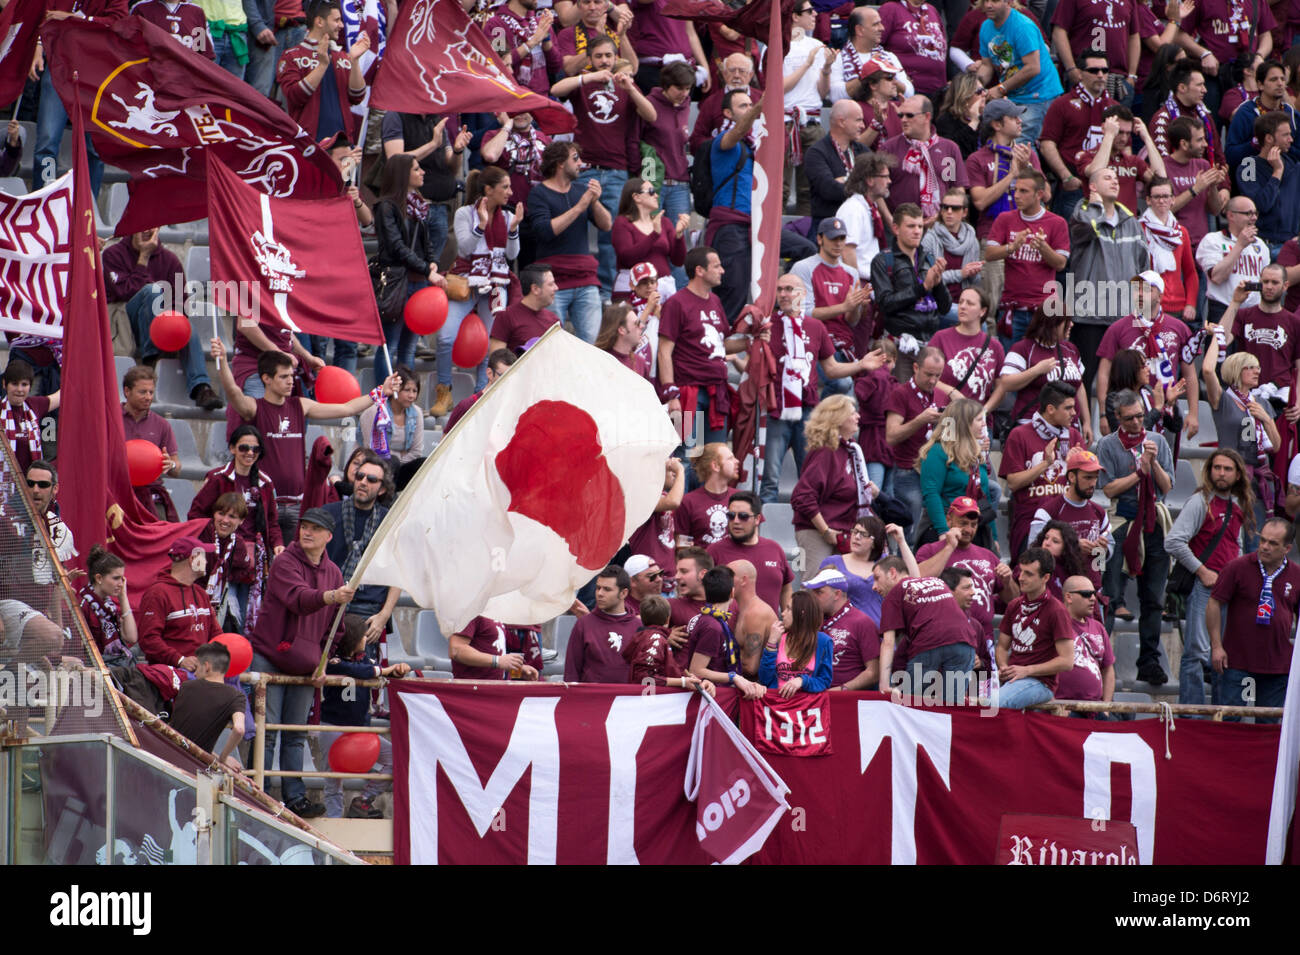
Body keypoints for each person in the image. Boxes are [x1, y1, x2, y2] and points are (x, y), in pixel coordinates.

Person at [211, 339, 401, 543]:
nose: (291, 381)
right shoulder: (255, 407)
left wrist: (382, 391)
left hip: (297, 505)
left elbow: (347, 408)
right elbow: (233, 392)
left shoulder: (300, 405)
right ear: (266, 378)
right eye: (283, 377)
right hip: (266, 504)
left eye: (291, 376)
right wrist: (222, 361)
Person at [249, 507, 355, 818]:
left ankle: (294, 797)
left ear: (328, 537)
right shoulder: (285, 562)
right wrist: (330, 596)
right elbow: (298, 597)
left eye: (314, 529)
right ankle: (261, 793)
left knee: (295, 732)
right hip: (269, 655)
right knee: (268, 731)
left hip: (306, 663)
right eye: (303, 527)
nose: (306, 532)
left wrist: (323, 662)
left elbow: (337, 627)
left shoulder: (333, 572)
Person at [758, 276, 877, 503]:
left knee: (810, 477)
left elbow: (831, 369)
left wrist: (861, 365)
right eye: (780, 289)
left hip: (807, 412)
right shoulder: (767, 325)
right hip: (777, 410)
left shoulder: (815, 326)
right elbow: (754, 366)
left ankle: (805, 529)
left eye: (789, 289)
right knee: (770, 480)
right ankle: (767, 535)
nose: (783, 294)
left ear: (802, 295)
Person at [1097, 389, 1175, 685]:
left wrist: (1152, 464)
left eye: (1141, 416)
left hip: (1153, 518)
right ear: (1118, 417)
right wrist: (1138, 472)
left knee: (1153, 597)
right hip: (1123, 517)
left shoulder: (1156, 441)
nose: (1137, 423)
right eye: (1130, 418)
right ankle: (1100, 659)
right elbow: (1108, 489)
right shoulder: (1107, 444)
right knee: (1108, 593)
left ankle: (1149, 660)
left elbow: (1167, 487)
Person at [1166, 449, 1252, 705]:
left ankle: (1217, 712)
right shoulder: (1200, 501)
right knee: (1196, 652)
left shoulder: (1237, 505)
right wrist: (1202, 572)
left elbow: (1235, 544)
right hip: (1204, 587)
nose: (1221, 473)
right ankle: (1191, 714)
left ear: (1237, 475)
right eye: (1217, 468)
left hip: (1229, 588)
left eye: (1227, 469)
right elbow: (1173, 542)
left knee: (1222, 654)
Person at [102, 231, 223, 411]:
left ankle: (201, 387)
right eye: (143, 226)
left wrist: (167, 321)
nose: (148, 230)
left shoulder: (169, 260)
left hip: (160, 324)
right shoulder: (113, 254)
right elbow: (123, 291)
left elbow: (183, 304)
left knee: (186, 326)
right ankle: (150, 357)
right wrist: (143, 258)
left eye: (153, 227)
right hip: (126, 322)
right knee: (152, 291)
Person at [1067, 167, 1152, 393]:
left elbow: (1143, 266)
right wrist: (1096, 206)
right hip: (1089, 315)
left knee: (1123, 382)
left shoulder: (1130, 221)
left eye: (1116, 178)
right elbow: (1086, 229)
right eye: (1107, 178)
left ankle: (1119, 428)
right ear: (1093, 187)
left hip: (1123, 316)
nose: (1115, 182)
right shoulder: (1082, 213)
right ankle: (1082, 427)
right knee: (1083, 380)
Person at [190, 424, 282, 626]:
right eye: (243, 448)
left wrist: (277, 544)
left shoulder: (265, 482)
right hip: (221, 555)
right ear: (232, 448)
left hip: (253, 561)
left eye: (255, 449)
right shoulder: (217, 478)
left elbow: (272, 522)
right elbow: (195, 515)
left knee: (247, 613)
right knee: (224, 613)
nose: (249, 453)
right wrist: (218, 535)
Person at [1208, 516, 1297, 722]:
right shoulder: (1237, 567)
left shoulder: (1297, 575)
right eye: (1262, 540)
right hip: (1238, 662)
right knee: (1230, 721)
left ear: (1287, 548)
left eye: (1273, 543)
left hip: (1277, 667)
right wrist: (1216, 646)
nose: (1265, 547)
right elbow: (1214, 602)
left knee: (1267, 727)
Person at [319, 618, 411, 818]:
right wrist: (382, 671)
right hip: (333, 728)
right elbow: (353, 671)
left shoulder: (366, 661)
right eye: (362, 634)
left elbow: (375, 672)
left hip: (362, 732)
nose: (366, 637)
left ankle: (364, 800)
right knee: (332, 778)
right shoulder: (334, 661)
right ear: (352, 639)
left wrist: (398, 670)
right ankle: (334, 818)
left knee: (394, 758)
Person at [443, 167, 522, 395]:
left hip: (497, 284)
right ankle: (444, 388)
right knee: (446, 337)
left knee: (491, 344)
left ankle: (480, 391)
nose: (509, 192)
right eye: (505, 187)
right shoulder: (465, 213)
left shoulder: (507, 216)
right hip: (467, 283)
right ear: (489, 189)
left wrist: (514, 228)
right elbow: (466, 248)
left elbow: (512, 254)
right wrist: (481, 224)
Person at [658, 247, 747, 447]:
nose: (722, 270)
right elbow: (664, 351)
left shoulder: (715, 301)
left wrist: (751, 341)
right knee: (691, 456)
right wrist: (671, 393)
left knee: (715, 456)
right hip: (689, 394)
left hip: (717, 392)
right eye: (716, 266)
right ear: (700, 270)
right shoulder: (676, 303)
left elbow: (722, 345)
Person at [1094, 271, 1198, 440]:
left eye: (1148, 289)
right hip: (1129, 410)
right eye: (1136, 289)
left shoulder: (1179, 328)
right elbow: (1104, 373)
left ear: (1161, 295)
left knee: (1166, 460)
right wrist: (1103, 413)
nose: (1140, 293)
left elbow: (1190, 373)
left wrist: (1193, 413)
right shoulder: (1118, 328)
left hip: (1168, 407)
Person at [526, 141, 611, 345]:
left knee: (592, 345)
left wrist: (595, 201)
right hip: (553, 281)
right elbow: (546, 231)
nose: (580, 163)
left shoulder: (582, 190)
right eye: (575, 158)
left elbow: (607, 225)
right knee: (552, 345)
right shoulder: (539, 194)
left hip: (586, 279)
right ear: (560, 164)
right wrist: (581, 206)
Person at [916, 500, 1018, 667]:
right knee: (950, 691)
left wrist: (1008, 582)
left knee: (984, 693)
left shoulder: (988, 555)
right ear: (949, 520)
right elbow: (919, 578)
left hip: (984, 641)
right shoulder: (930, 550)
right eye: (963, 523)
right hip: (946, 639)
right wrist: (949, 547)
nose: (969, 529)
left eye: (973, 524)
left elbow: (1011, 599)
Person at [1201, 329, 1282, 539]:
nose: (1257, 372)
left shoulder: (1261, 402)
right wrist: (1217, 339)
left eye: (1258, 368)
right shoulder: (1223, 400)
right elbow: (1208, 371)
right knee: (1229, 537)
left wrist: (1265, 418)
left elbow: (1277, 445)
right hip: (1231, 478)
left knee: (1255, 539)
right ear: (1237, 370)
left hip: (1257, 479)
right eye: (1251, 368)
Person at [372, 153, 447, 377]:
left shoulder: (418, 204)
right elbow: (396, 246)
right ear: (403, 175)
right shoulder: (386, 207)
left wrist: (432, 263)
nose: (422, 172)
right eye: (416, 169)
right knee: (390, 346)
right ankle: (384, 399)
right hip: (398, 283)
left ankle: (405, 397)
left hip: (419, 283)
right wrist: (426, 269)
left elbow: (426, 242)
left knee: (409, 347)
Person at [873, 555, 980, 703]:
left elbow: (888, 643)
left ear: (892, 573)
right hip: (965, 642)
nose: (874, 586)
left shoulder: (894, 594)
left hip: (929, 643)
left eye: (877, 578)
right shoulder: (936, 581)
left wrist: (884, 685)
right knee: (952, 707)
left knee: (911, 705)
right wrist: (901, 541)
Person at [322, 452, 400, 650]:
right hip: (330, 600)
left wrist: (384, 615)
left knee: (361, 674)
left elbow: (397, 572)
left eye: (371, 479)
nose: (363, 482)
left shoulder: (389, 521)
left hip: (368, 607)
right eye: (360, 476)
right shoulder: (329, 513)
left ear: (382, 489)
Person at [1000, 380, 1085, 560]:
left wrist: (1073, 469)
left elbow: (1086, 490)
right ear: (1051, 409)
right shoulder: (1019, 435)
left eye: (1074, 407)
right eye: (1068, 408)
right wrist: (1045, 464)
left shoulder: (1074, 436)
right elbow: (1013, 483)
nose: (1074, 413)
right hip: (1030, 522)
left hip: (1067, 522)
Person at [984, 170, 1071, 346]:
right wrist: (1012, 247)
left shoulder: (1057, 222)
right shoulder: (1005, 219)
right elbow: (989, 254)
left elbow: (1061, 264)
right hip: (1012, 307)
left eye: (1023, 191)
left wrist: (1043, 247)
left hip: (1043, 310)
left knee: (1040, 364)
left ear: (1039, 194)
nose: (1016, 196)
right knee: (1009, 366)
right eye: (1015, 190)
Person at [792, 395, 878, 569]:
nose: (858, 417)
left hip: (844, 532)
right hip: (817, 532)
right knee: (815, 589)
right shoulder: (825, 452)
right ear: (838, 419)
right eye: (853, 413)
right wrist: (825, 531)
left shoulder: (851, 450)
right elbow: (802, 496)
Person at [1039, 48, 1118, 217]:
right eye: (1093, 70)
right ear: (1080, 74)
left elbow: (1124, 148)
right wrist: (1066, 177)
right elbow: (1047, 144)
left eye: (1104, 70)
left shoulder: (1115, 108)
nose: (1100, 75)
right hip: (1074, 186)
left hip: (1106, 187)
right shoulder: (1062, 104)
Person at [789, 218, 873, 376]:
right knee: (843, 384)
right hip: (812, 342)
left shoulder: (851, 273)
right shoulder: (803, 268)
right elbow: (801, 313)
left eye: (842, 238)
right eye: (833, 238)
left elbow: (851, 321)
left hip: (842, 343)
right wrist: (844, 307)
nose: (838, 243)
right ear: (820, 239)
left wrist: (857, 306)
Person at [994, 547, 1076, 709]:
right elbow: (1002, 647)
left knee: (995, 704)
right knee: (969, 698)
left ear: (1045, 577)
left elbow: (1067, 661)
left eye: (1029, 574)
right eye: (1021, 571)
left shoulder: (1056, 610)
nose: (1021, 578)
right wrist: (1003, 666)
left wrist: (1026, 670)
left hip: (1040, 683)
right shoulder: (1014, 605)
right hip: (1012, 678)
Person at [276, 0, 368, 142]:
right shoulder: (292, 55)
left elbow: (357, 96)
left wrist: (354, 61)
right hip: (309, 145)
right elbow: (294, 96)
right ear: (319, 21)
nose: (341, 25)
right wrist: (322, 65)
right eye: (337, 20)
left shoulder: (341, 56)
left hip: (342, 145)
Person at [976, 0, 1064, 143]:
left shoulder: (1022, 26)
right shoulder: (986, 27)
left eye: (995, 0)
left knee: (1020, 143)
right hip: (1014, 97)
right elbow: (987, 66)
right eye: (985, 0)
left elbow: (1033, 67)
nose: (988, 5)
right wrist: (976, 87)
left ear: (1009, 2)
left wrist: (1001, 88)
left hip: (1039, 95)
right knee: (1002, 140)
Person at [1028, 447, 1114, 593]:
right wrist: (1072, 547)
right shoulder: (1049, 511)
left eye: (1095, 477)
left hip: (1092, 593)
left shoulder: (1099, 512)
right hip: (1059, 593)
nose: (1093, 483)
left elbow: (1100, 564)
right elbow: (1033, 553)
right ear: (1072, 477)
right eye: (1087, 477)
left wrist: (1101, 550)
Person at [915, 398, 996, 544]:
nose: (984, 424)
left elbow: (985, 499)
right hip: (947, 526)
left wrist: (993, 538)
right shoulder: (938, 451)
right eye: (979, 420)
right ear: (964, 424)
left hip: (974, 529)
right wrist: (943, 531)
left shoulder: (975, 453)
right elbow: (931, 494)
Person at [871, 205, 952, 351]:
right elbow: (885, 304)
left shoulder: (929, 258)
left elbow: (945, 308)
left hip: (930, 343)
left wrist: (938, 284)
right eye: (911, 226)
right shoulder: (882, 260)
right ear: (896, 229)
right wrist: (923, 288)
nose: (917, 231)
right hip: (900, 345)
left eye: (920, 226)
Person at [885, 346, 945, 541]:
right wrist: (920, 419)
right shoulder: (900, 393)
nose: (933, 380)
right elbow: (891, 436)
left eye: (937, 375)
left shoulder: (941, 393)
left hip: (935, 470)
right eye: (928, 374)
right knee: (913, 523)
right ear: (915, 367)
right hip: (907, 470)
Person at [877, 96, 969, 220]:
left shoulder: (949, 148)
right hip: (900, 228)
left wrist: (939, 217)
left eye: (909, 115)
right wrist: (890, 221)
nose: (903, 120)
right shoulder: (888, 148)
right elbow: (876, 189)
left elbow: (957, 190)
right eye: (901, 115)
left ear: (927, 117)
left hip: (939, 226)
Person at [707, 491, 794, 616]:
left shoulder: (774, 549)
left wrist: (788, 620)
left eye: (743, 516)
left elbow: (786, 588)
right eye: (731, 515)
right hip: (727, 633)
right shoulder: (714, 551)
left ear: (757, 519)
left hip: (770, 632)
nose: (736, 521)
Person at [966, 100, 1042, 243]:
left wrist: (1027, 169)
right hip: (992, 234)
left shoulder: (1027, 154)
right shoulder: (976, 159)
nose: (1020, 121)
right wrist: (1012, 175)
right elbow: (980, 201)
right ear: (997, 125)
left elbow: (1046, 194)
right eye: (1014, 117)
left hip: (1027, 233)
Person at [138, 537, 219, 669]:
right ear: (193, 559)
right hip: (171, 676)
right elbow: (148, 639)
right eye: (203, 557)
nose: (206, 562)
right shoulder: (157, 593)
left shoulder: (200, 593)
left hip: (201, 673)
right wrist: (180, 660)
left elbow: (216, 635)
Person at [685, 566, 766, 696]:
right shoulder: (712, 626)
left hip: (722, 693)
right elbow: (696, 670)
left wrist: (744, 682)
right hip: (711, 697)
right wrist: (733, 677)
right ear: (732, 593)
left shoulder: (717, 620)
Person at [820, 518, 918, 624]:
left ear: (874, 542)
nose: (857, 537)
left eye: (863, 534)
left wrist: (901, 541)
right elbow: (818, 598)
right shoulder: (833, 562)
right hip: (844, 634)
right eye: (855, 531)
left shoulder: (886, 562)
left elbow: (915, 581)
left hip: (881, 634)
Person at [783, 5, 833, 216]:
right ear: (794, 16)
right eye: (809, 10)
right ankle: (775, 239)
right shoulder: (778, 45)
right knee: (781, 187)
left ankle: (804, 238)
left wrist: (827, 69)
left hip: (812, 122)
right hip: (785, 122)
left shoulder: (818, 46)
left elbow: (821, 93)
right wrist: (806, 64)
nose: (815, 14)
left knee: (808, 189)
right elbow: (779, 87)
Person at [1196, 196, 1271, 327]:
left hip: (1252, 312)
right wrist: (1239, 245)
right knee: (1219, 347)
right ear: (1231, 215)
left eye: (1255, 213)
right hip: (1222, 309)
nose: (1253, 218)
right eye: (1248, 213)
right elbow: (1217, 277)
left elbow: (1264, 281)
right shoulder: (1213, 240)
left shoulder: (1261, 245)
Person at [169, 642, 246, 767]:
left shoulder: (186, 687)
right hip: (197, 766)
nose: (194, 673)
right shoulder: (236, 696)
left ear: (206, 667)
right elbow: (239, 729)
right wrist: (223, 758)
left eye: (197, 667)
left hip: (170, 754)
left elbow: (186, 737)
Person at [120, 365, 182, 522]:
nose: (148, 397)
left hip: (151, 493)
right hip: (118, 492)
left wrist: (171, 465)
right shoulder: (111, 419)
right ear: (127, 391)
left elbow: (176, 467)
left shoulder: (162, 425)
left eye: (151, 392)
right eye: (142, 392)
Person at [803, 567, 880, 690]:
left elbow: (874, 672)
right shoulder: (812, 620)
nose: (813, 597)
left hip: (844, 701)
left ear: (837, 594)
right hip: (813, 694)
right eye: (812, 592)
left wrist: (842, 689)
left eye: (819, 592)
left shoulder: (861, 622)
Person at [1235, 111, 1300, 255]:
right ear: (1269, 138)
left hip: (1292, 245)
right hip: (1264, 245)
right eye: (1285, 135)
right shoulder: (1248, 166)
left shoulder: (1295, 166)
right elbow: (1261, 205)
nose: (1291, 139)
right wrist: (1277, 172)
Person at [1138, 177, 1200, 327]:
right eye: (1157, 196)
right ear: (1148, 200)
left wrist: (1190, 303)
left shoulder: (1181, 233)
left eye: (1165, 196)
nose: (1161, 201)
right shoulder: (1138, 229)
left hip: (1178, 309)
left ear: (1172, 199)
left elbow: (1190, 272)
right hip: (1147, 307)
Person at [610, 177, 687, 300]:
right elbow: (627, 258)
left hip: (663, 289)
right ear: (636, 197)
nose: (656, 195)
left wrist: (679, 236)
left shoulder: (664, 222)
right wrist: (654, 235)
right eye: (651, 191)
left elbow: (678, 261)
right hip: (632, 290)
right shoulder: (622, 223)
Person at [1078, 108, 1165, 214]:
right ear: (1104, 128)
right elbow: (1096, 172)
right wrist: (1109, 135)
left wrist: (1147, 138)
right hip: (1098, 224)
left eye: (1128, 133)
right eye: (1119, 132)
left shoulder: (1133, 161)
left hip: (1128, 226)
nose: (1124, 139)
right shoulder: (1087, 157)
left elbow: (1162, 180)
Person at [929, 288, 1004, 410]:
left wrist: (983, 412)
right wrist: (951, 391)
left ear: (983, 311)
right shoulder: (940, 338)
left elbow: (1001, 387)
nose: (962, 306)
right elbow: (926, 377)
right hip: (947, 418)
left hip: (979, 421)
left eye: (969, 303)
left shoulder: (995, 346)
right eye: (960, 302)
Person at [564, 565, 640, 682]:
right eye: (598, 588)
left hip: (627, 698)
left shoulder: (638, 627)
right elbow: (571, 672)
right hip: (592, 698)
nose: (600, 593)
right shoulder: (584, 624)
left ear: (624, 593)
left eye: (607, 589)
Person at [803, 100, 868, 235]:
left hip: (861, 223)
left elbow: (877, 184)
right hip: (828, 228)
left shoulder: (863, 151)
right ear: (841, 122)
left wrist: (844, 180)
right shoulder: (816, 152)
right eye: (858, 120)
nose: (862, 125)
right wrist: (861, 184)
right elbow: (829, 190)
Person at [622, 595, 712, 692]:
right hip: (649, 699)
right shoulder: (655, 640)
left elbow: (668, 669)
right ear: (668, 619)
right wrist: (682, 682)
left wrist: (690, 677)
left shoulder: (642, 637)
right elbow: (644, 677)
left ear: (642, 618)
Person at [830, 6, 913, 106]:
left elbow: (909, 93)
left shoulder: (889, 57)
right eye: (875, 24)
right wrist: (868, 72)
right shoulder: (838, 58)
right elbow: (835, 96)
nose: (882, 28)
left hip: (886, 116)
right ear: (859, 30)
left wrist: (889, 76)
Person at [1225, 59, 1300, 169]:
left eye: (1282, 79)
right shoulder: (1246, 112)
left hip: (1287, 176)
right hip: (1253, 176)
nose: (1280, 83)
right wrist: (1256, 143)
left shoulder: (1291, 113)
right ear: (1260, 85)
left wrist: (1283, 144)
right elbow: (1231, 155)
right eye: (1273, 79)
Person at [757, 590, 835, 696]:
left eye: (788, 609)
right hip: (776, 703)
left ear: (802, 614)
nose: (783, 613)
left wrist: (802, 681)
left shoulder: (824, 642)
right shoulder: (778, 638)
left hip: (807, 706)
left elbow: (824, 681)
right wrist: (771, 642)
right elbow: (765, 679)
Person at [1054, 576, 1116, 708]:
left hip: (1096, 708)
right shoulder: (1054, 624)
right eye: (1086, 594)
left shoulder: (1099, 627)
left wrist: (1106, 706)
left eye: (1094, 594)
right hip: (1063, 708)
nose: (1093, 598)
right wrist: (1054, 705)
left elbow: (1108, 670)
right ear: (1069, 597)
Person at [922, 189, 985, 316]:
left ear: (964, 212)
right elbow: (925, 279)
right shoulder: (930, 238)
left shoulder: (972, 241)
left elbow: (974, 284)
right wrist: (961, 273)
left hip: (963, 301)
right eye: (945, 207)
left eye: (955, 208)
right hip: (937, 302)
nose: (949, 212)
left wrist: (974, 273)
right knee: (979, 324)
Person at [199, 492, 255, 633]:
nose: (225, 520)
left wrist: (225, 576)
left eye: (232, 516)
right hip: (189, 603)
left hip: (215, 607)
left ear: (241, 521)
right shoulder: (200, 532)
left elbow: (245, 569)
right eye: (221, 513)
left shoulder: (238, 544)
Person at [1147, 60, 1225, 160]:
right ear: (1182, 88)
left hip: (1207, 173)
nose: (1204, 90)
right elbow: (1162, 164)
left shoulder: (1205, 117)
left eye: (1204, 84)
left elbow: (1219, 157)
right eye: (1199, 85)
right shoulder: (1162, 120)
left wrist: (1220, 173)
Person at [837, 153, 896, 287]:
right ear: (870, 180)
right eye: (885, 176)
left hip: (872, 282)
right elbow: (847, 251)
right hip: (860, 284)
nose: (889, 181)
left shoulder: (869, 206)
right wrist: (857, 287)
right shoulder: (853, 209)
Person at [77, 545, 137, 662]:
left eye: (122, 579)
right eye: (116, 578)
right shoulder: (83, 605)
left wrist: (123, 597)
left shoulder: (109, 605)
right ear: (99, 578)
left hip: (116, 661)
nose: (121, 584)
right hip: (98, 666)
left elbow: (131, 637)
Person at [22, 461, 76, 585]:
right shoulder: (6, 518)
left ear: (55, 488)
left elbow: (54, 582)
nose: (35, 490)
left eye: (43, 485)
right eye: (30, 484)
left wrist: (63, 584)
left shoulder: (58, 526)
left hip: (41, 601)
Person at [2, 360, 59, 473]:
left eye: (24, 384)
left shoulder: (34, 405)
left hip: (30, 486)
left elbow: (64, 393)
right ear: (4, 384)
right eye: (14, 384)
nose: (19, 389)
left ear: (30, 387)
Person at [674, 442, 737, 546]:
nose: (737, 461)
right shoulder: (688, 502)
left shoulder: (742, 499)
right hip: (702, 561)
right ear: (715, 466)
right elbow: (682, 547)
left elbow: (752, 541)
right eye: (730, 459)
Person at [490, 265, 561, 356]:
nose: (556, 288)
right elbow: (496, 360)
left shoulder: (554, 321)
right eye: (551, 284)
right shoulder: (506, 316)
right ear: (535, 289)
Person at [359, 366, 423, 466]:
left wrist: (398, 463)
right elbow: (371, 450)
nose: (411, 396)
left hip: (402, 465)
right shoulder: (375, 411)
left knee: (421, 463)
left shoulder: (417, 413)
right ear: (395, 390)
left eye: (414, 391)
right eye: (407, 390)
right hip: (373, 464)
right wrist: (396, 460)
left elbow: (416, 452)